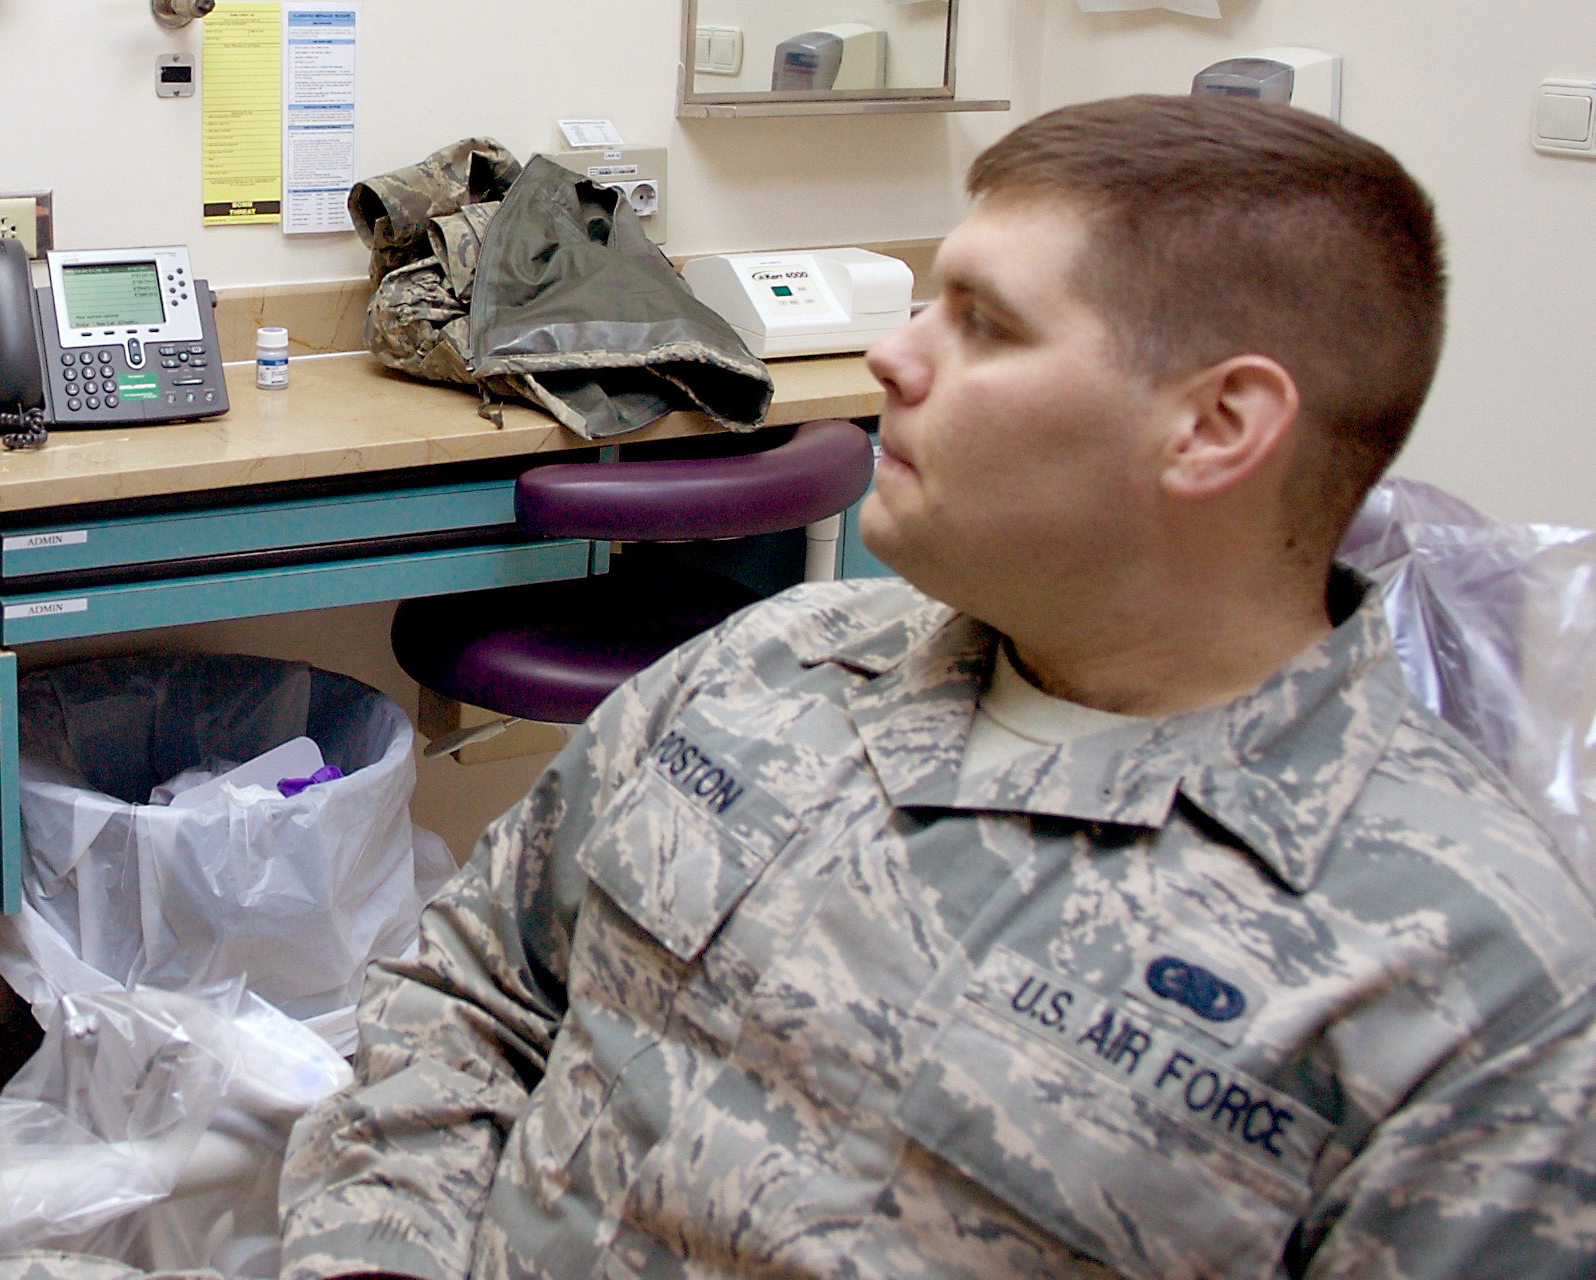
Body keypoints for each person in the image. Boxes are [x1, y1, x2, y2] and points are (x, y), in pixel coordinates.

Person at [277, 96, 1596, 1278]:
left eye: (983, 324)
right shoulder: (768, 667)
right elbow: (472, 986)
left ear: (1217, 428)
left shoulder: (1468, 994)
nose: (897, 361)